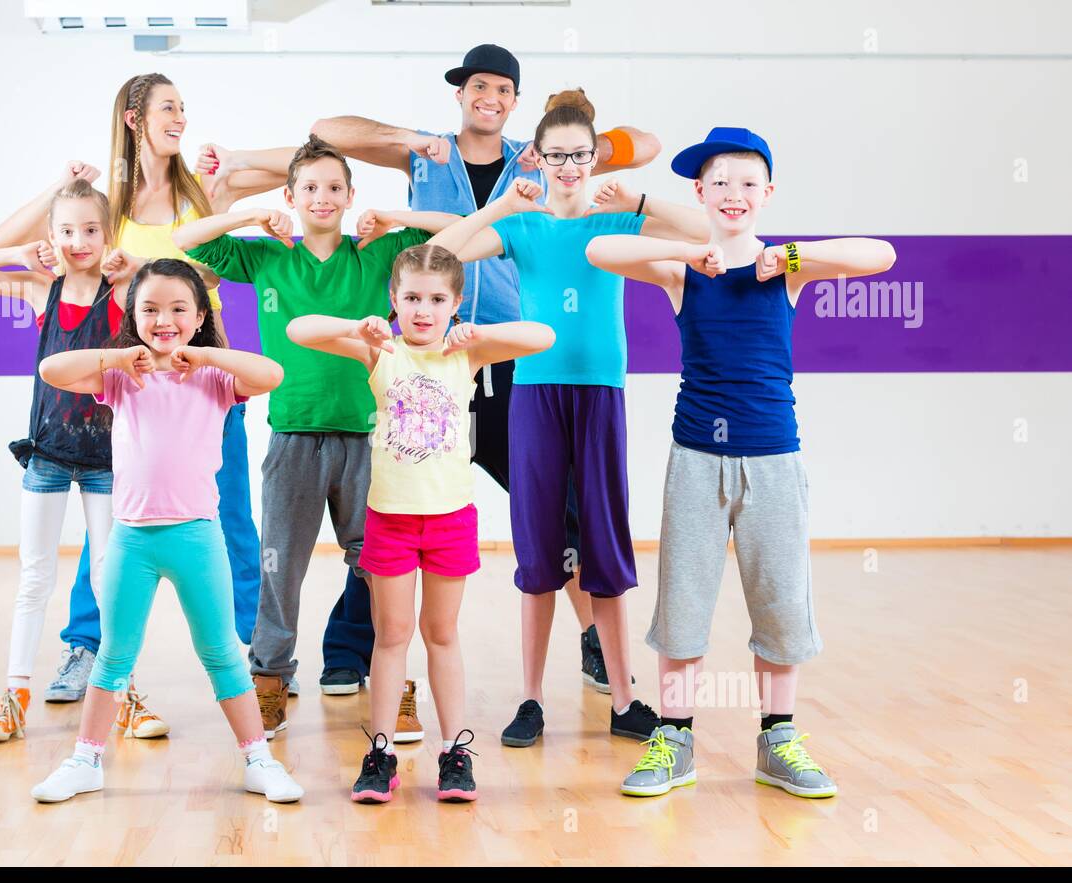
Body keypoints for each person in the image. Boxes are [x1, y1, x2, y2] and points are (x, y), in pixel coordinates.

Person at [311, 44, 662, 693]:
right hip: (422, 368)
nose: (490, 98)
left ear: (515, 101)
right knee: (387, 510)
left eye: (503, 89)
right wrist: (411, 138)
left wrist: (568, 147)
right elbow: (328, 132)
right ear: (461, 93)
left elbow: (645, 142)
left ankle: (593, 642)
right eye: (479, 86)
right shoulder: (425, 151)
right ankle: (350, 649)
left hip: (497, 366)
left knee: (566, 516)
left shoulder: (538, 159)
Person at [585, 127, 897, 798]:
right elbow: (598, 247)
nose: (733, 194)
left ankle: (778, 737)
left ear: (767, 195)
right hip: (697, 458)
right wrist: (685, 248)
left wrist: (789, 252)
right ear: (699, 193)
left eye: (748, 183)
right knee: (685, 604)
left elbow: (882, 253)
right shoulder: (681, 269)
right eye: (719, 183)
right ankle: (675, 739)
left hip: (774, 461)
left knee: (782, 603)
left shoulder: (785, 268)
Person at [175, 137, 460, 740]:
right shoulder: (269, 257)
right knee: (281, 567)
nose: (323, 198)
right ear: (292, 196)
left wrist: (399, 216)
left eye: (335, 188)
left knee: (379, 568)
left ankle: (393, 681)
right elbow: (184, 242)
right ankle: (271, 677)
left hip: (371, 441)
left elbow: (456, 228)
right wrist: (252, 215)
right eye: (310, 188)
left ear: (352, 196)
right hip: (293, 439)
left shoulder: (379, 254)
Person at [30, 259, 302, 804]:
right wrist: (115, 355)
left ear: (200, 316)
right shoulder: (118, 377)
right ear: (133, 315)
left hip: (197, 537)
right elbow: (52, 370)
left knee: (222, 652)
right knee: (113, 654)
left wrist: (201, 355)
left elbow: (270, 373)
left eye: (179, 308)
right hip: (132, 539)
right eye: (149, 308)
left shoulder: (216, 377)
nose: (164, 319)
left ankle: (259, 759)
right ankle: (85, 760)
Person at [288, 244, 554, 802]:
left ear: (455, 303)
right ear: (394, 300)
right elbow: (299, 331)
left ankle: (455, 753)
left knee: (441, 634)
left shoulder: (465, 355)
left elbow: (542, 337)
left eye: (437, 299)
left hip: (450, 519)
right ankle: (380, 753)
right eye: (411, 298)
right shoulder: (380, 351)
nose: (423, 310)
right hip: (390, 519)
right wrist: (359, 326)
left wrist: (477, 334)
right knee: (392, 636)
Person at [0, 179, 137, 744]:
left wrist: (132, 263)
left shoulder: (124, 290)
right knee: (35, 578)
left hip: (105, 457)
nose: (79, 240)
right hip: (47, 455)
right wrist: (15, 254)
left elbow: (189, 277)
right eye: (67, 230)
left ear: (108, 234)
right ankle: (14, 695)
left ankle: (123, 693)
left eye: (91, 230)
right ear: (52, 235)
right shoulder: (37, 288)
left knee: (110, 577)